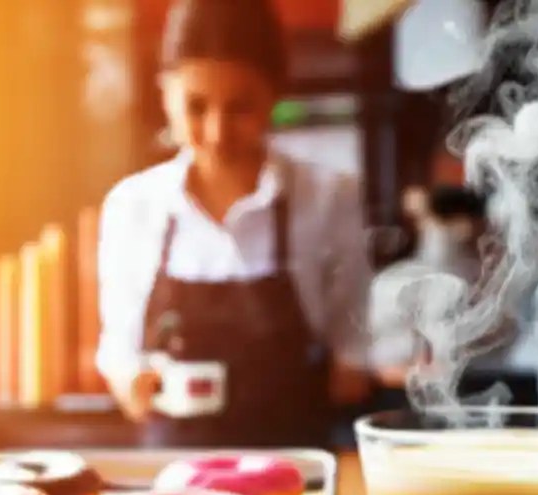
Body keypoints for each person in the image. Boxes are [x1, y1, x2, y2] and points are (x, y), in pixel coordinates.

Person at [95, 0, 372, 449]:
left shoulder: (329, 196)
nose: (218, 131)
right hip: (172, 471)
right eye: (196, 106)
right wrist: (127, 379)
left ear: (275, 94)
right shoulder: (132, 206)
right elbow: (117, 346)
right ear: (164, 93)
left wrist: (353, 364)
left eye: (240, 107)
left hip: (295, 459)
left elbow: (355, 331)